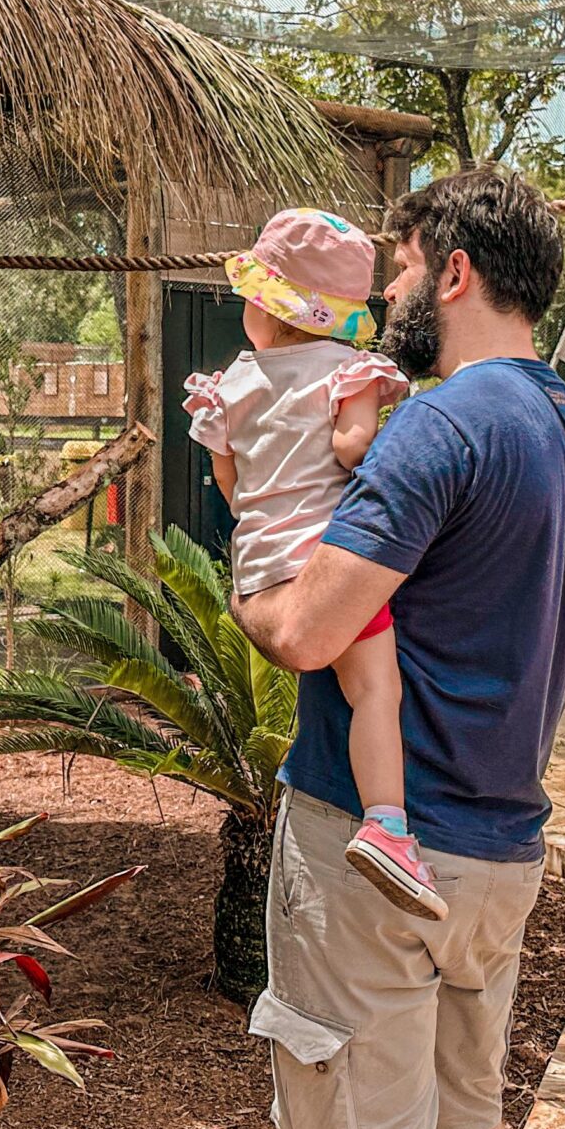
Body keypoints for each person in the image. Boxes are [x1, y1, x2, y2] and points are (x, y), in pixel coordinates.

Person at [232, 166, 565, 1129]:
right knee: (470, 1127)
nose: (392, 286)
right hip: (501, 848)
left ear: (452, 271)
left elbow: (307, 629)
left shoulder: (442, 424)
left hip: (381, 854)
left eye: (400, 264)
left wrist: (255, 580)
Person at [185, 209, 430, 914]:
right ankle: (386, 825)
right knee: (375, 692)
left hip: (258, 559)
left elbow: (230, 486)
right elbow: (356, 450)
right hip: (328, 563)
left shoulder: (229, 384)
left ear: (270, 308)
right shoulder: (348, 371)